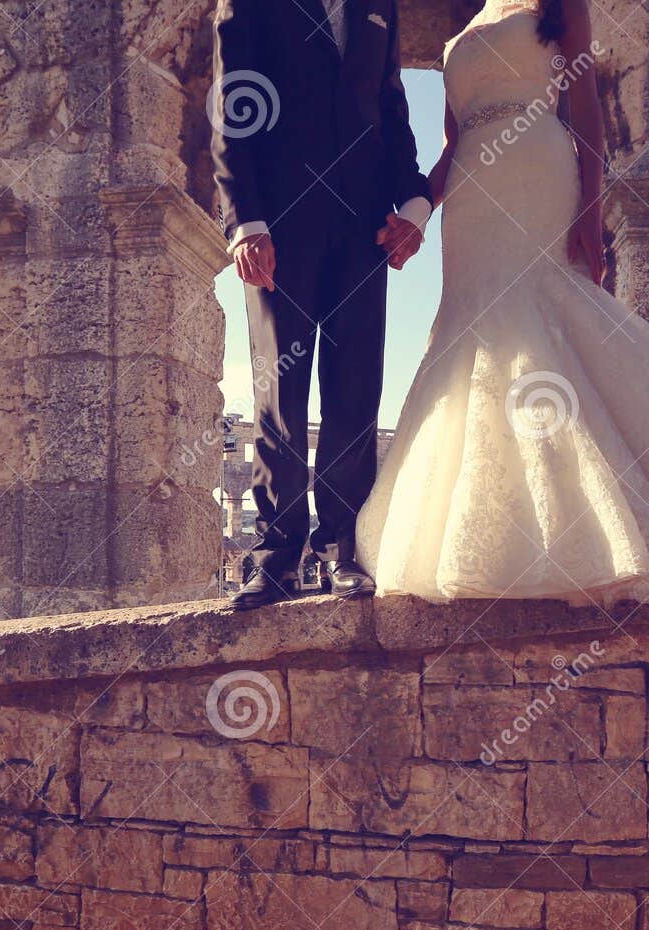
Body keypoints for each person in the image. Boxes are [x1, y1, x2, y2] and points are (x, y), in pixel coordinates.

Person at [356, 0, 649, 607]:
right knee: (475, 329)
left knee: (544, 314)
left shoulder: (556, 5)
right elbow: (452, 143)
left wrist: (592, 210)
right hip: (470, 198)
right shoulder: (461, 33)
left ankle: (598, 531)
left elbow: (586, 112)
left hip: (537, 167)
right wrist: (416, 215)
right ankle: (505, 533)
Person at [211, 0, 430, 610]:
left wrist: (414, 204)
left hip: (364, 225)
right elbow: (234, 103)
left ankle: (344, 549)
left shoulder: (377, 8)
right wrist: (244, 219)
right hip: (277, 225)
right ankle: (277, 557)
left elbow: (391, 109)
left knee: (356, 388)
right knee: (279, 389)